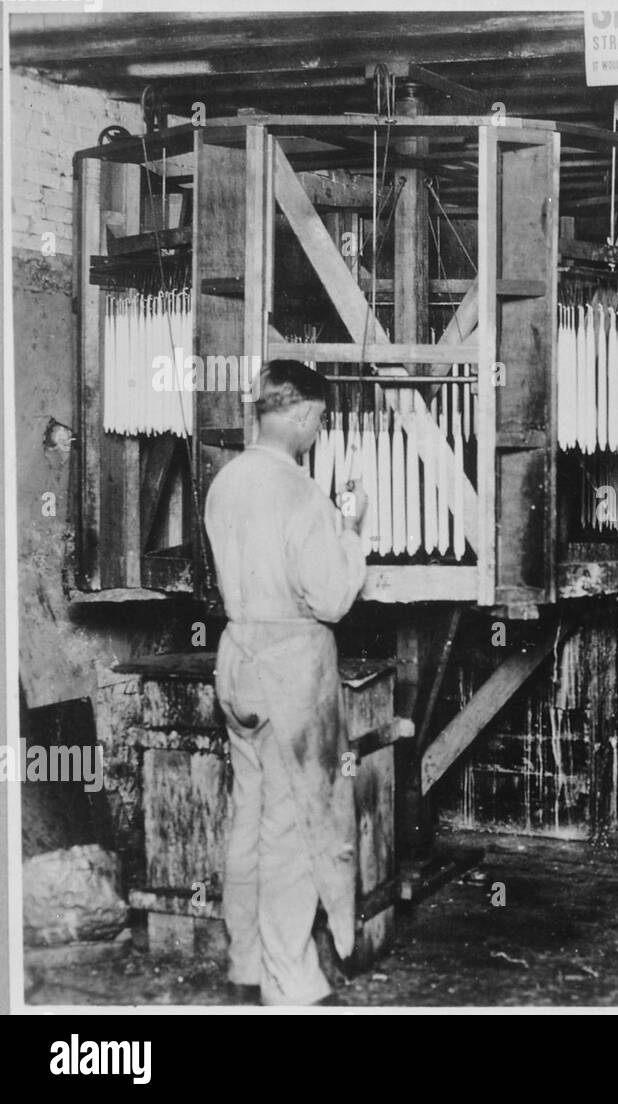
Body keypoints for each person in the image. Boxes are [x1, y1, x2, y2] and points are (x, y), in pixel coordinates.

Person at [204, 359, 369, 1006]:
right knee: (295, 826)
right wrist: (350, 532)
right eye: (321, 420)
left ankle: (245, 966)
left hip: (237, 656)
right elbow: (330, 598)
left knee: (247, 816)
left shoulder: (227, 481)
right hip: (289, 668)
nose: (320, 432)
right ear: (300, 414)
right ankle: (291, 981)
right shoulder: (300, 491)